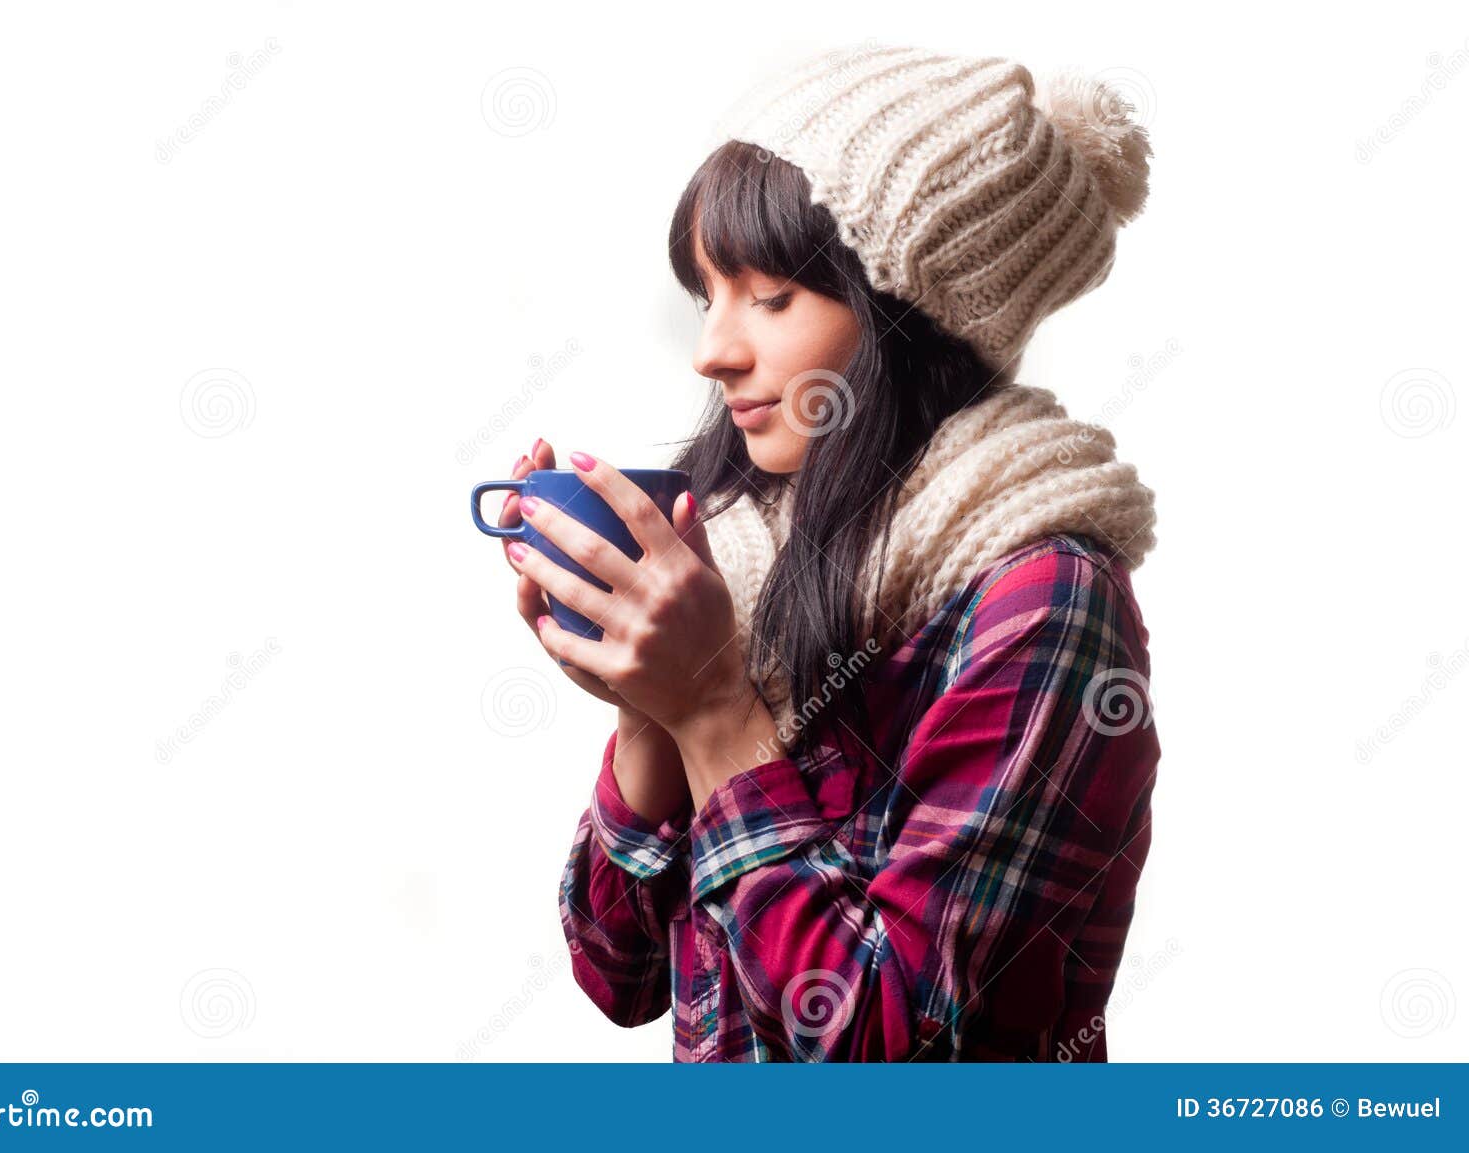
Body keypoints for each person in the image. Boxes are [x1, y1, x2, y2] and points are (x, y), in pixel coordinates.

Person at [493, 44, 1161, 1060]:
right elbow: (616, 972)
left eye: (770, 298)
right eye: (707, 294)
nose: (712, 351)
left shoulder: (1044, 603)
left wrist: (715, 711)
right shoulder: (751, 552)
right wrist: (648, 705)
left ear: (907, 313)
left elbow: (871, 1041)